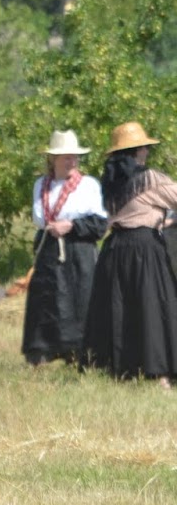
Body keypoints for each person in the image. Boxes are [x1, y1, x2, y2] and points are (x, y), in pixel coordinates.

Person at [80, 121, 177, 388]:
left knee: (119, 310)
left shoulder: (108, 184)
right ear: (137, 151)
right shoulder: (150, 179)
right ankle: (160, 375)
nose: (146, 152)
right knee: (154, 308)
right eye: (144, 147)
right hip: (144, 247)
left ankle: (124, 370)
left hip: (114, 248)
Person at [23, 130, 107, 366]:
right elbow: (39, 218)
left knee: (80, 300)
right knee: (46, 301)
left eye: (74, 157)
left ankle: (80, 355)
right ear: (53, 159)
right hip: (49, 248)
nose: (72, 161)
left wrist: (71, 225)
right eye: (66, 157)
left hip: (78, 250)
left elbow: (100, 223)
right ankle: (41, 353)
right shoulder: (41, 184)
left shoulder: (89, 185)